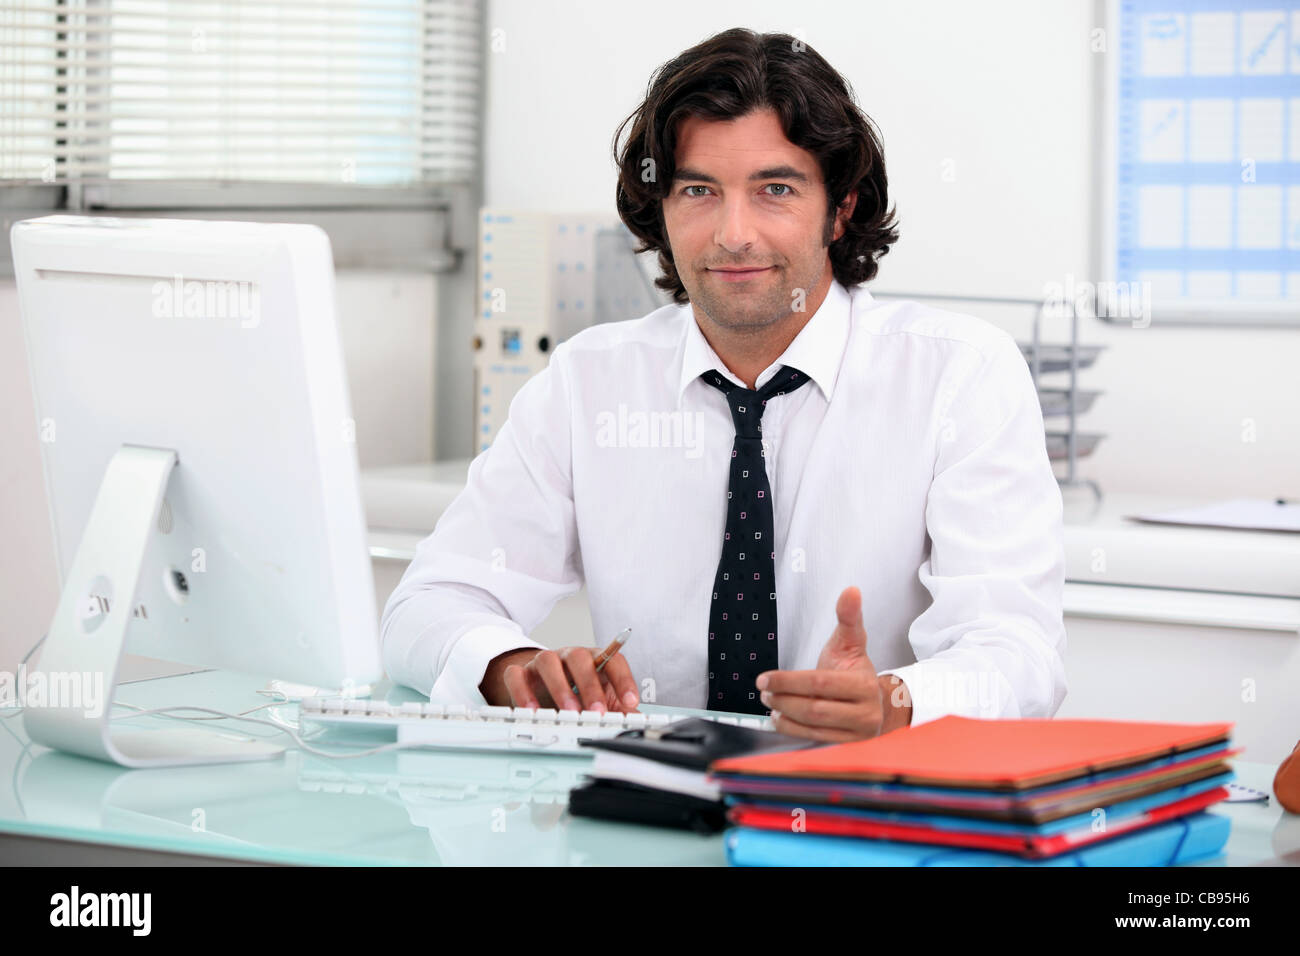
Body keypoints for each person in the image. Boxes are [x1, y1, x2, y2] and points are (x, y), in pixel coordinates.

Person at [380, 27, 1067, 742]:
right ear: (661, 207)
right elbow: (429, 604)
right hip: (647, 811)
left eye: (775, 189)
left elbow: (1017, 654)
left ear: (842, 209)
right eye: (699, 190)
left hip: (863, 812)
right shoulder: (588, 383)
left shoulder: (960, 376)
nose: (733, 234)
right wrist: (513, 666)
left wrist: (893, 702)